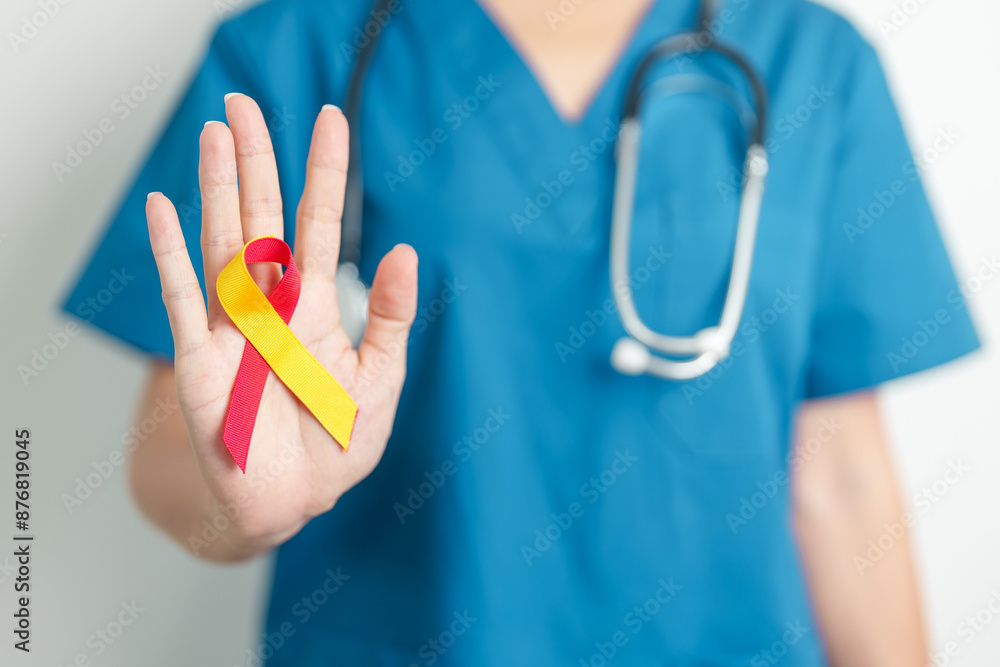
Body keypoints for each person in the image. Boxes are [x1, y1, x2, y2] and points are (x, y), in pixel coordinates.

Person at [62, 0, 979, 664]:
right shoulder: (296, 50)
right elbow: (174, 457)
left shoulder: (813, 60)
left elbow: (842, 473)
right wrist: (246, 503)